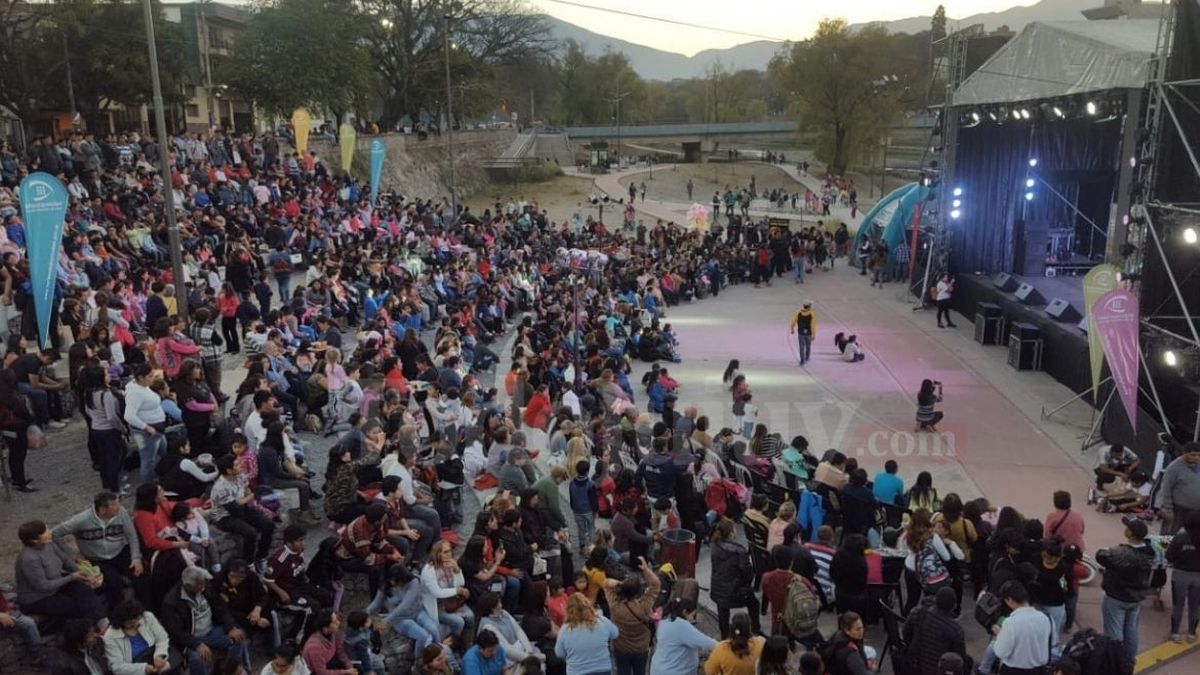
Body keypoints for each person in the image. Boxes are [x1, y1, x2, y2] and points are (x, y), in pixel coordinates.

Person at [52, 491, 144, 611]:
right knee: (113, 583)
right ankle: (120, 614)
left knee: (141, 575)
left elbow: (131, 536)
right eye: (115, 505)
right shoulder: (81, 520)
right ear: (103, 509)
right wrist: (71, 555)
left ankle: (147, 610)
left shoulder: (122, 513)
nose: (119, 507)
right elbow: (55, 533)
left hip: (120, 552)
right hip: (97, 558)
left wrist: (136, 558)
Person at [15, 519, 107, 625]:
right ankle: (87, 630)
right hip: (38, 597)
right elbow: (42, 586)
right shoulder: (29, 559)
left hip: (56, 584)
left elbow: (65, 560)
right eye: (45, 532)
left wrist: (86, 575)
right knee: (71, 606)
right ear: (34, 540)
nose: (50, 532)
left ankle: (102, 621)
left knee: (83, 589)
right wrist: (71, 577)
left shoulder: (49, 544)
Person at [160, 567, 249, 675]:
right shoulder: (171, 602)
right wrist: (196, 644)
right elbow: (176, 632)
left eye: (203, 583)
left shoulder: (205, 586)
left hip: (212, 630)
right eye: (199, 585)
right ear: (187, 586)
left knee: (238, 637)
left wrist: (230, 627)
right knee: (198, 658)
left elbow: (220, 607)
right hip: (191, 637)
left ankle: (232, 671)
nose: (203, 587)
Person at [1096, 515, 1156, 666]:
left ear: (1130, 534)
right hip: (1135, 597)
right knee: (1131, 632)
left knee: (1114, 635)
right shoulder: (1149, 551)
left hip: (1117, 597)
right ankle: (1129, 662)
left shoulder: (1121, 552)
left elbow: (1100, 555)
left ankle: (1115, 664)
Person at [210, 455, 276, 563]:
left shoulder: (240, 476)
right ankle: (248, 562)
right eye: (236, 465)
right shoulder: (221, 488)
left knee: (268, 524)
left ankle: (261, 557)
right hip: (225, 517)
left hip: (241, 508)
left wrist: (253, 501)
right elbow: (235, 508)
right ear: (229, 470)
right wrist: (254, 496)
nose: (240, 465)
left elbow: (246, 489)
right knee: (250, 532)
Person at [605, 556, 660, 675]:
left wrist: (621, 584)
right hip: (641, 648)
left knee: (622, 671)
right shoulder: (645, 606)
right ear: (638, 592)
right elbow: (656, 584)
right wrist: (645, 569)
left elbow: (606, 583)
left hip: (621, 648)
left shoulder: (615, 606)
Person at [709, 517, 761, 638]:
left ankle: (724, 636)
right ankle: (755, 629)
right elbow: (748, 573)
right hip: (735, 591)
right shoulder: (739, 551)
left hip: (718, 589)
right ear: (731, 532)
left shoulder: (715, 546)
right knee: (754, 603)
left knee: (722, 611)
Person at [900, 587, 970, 675]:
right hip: (939, 669)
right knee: (969, 661)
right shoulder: (955, 629)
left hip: (915, 664)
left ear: (935, 601)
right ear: (954, 606)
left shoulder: (917, 612)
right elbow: (959, 660)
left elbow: (905, 632)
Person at [102, 599, 181, 675]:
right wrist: (144, 669)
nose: (135, 624)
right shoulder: (110, 636)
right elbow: (117, 667)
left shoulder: (147, 617)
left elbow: (162, 638)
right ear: (121, 621)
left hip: (155, 655)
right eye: (130, 623)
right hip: (134, 668)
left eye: (137, 620)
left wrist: (159, 656)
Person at [992, 581, 1053, 674]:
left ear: (1009, 600)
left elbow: (1001, 652)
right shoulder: (1045, 618)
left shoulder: (1010, 623)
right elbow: (1051, 643)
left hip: (1014, 671)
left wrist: (999, 635)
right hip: (1039, 670)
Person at [553, 593, 618, 675]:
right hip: (602, 668)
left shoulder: (565, 629)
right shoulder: (601, 621)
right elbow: (615, 633)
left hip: (577, 671)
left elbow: (559, 653)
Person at [1166, 511, 1200, 643]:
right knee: (1195, 606)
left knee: (1177, 605)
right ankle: (1191, 633)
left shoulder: (1180, 538)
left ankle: (1175, 632)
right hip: (1198, 576)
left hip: (1180, 575)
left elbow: (1169, 556)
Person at [1160, 442, 1200, 535]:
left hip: (1196, 510)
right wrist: (1168, 509)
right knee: (1170, 534)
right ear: (1184, 453)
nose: (1196, 458)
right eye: (1193, 455)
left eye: (1199, 455)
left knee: (1193, 535)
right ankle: (1163, 550)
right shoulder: (1174, 467)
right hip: (1178, 509)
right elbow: (1166, 488)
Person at [300, 611, 356, 675]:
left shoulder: (334, 633)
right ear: (325, 628)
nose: (338, 623)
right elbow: (321, 672)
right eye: (334, 622)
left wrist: (350, 667)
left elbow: (340, 652)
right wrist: (345, 672)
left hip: (328, 663)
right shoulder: (315, 647)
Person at [788, 301, 816, 366]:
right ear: (809, 307)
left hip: (801, 332)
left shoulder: (798, 313)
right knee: (808, 346)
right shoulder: (812, 314)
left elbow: (793, 321)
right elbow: (813, 325)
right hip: (808, 333)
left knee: (801, 347)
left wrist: (792, 328)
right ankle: (807, 357)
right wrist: (814, 334)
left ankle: (802, 361)